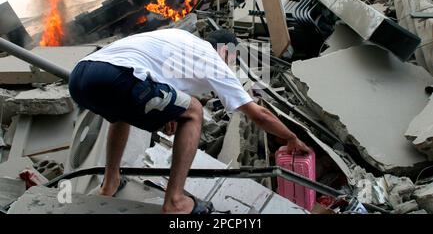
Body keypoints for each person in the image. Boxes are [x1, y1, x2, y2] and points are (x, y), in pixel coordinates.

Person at [69, 28, 310, 214]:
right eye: (233, 58)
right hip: (118, 74)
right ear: (226, 50)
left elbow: (159, 80)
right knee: (194, 112)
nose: (231, 64)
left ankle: (109, 184)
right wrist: (290, 137)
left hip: (81, 77)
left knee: (120, 117)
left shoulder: (181, 39)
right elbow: (259, 114)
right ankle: (175, 201)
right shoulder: (213, 59)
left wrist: (171, 114)